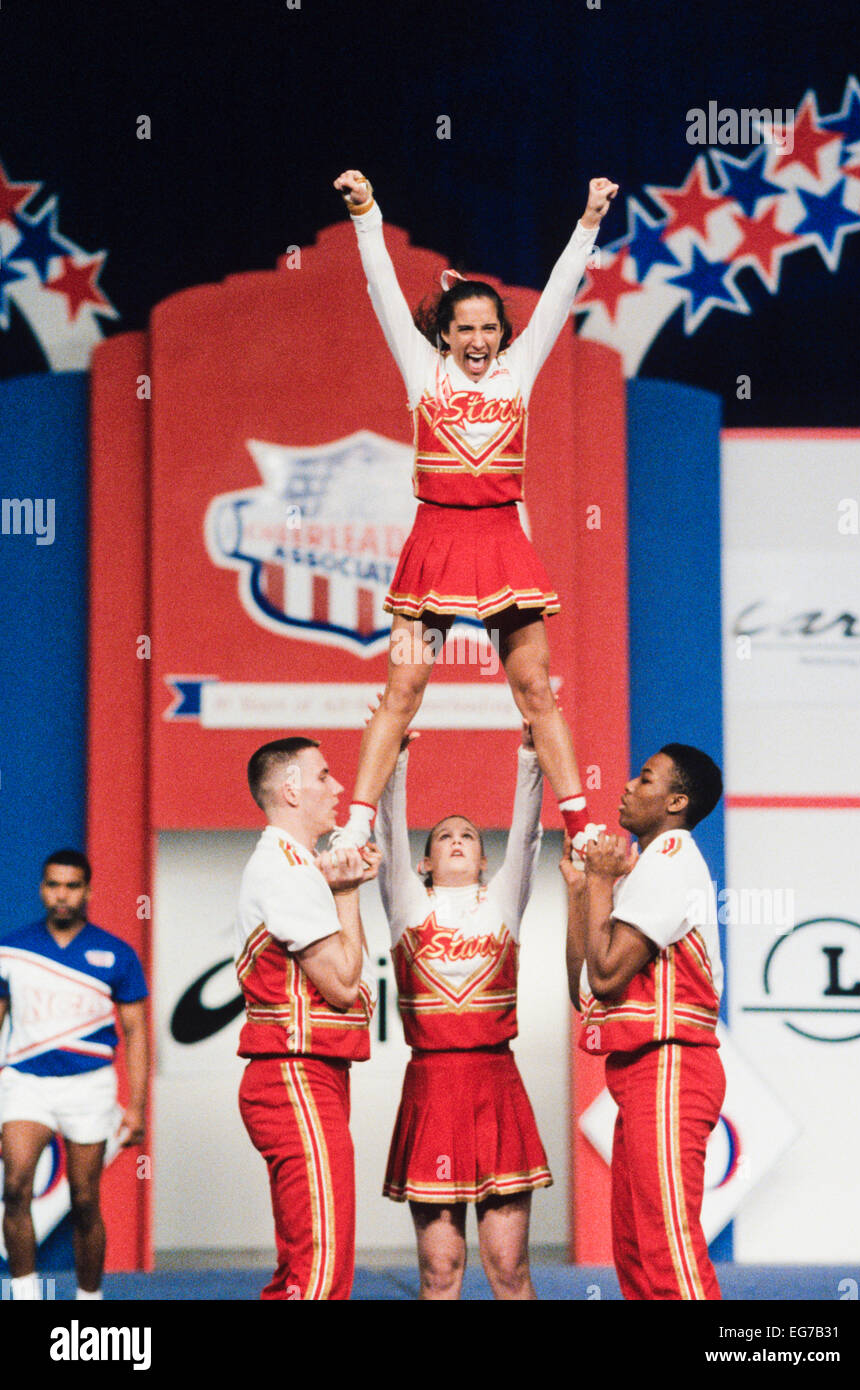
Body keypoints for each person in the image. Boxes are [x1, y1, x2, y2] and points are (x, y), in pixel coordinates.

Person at [330, 168, 618, 862]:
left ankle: (581, 828)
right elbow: (384, 293)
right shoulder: (422, 371)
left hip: (501, 544)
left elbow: (557, 296)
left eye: (490, 328)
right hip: (434, 544)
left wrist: (589, 221)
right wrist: (367, 211)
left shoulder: (519, 373)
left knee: (534, 692)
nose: (480, 339)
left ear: (502, 333)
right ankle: (356, 825)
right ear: (445, 332)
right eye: (467, 328)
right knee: (401, 690)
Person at [376, 722, 550, 1299]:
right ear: (422, 864)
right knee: (440, 1271)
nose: (455, 840)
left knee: (508, 1268)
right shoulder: (406, 903)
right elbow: (388, 835)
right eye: (444, 836)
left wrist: (531, 756)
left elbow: (525, 837)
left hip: (495, 1083)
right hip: (432, 1084)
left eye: (469, 837)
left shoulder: (502, 902)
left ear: (483, 861)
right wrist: (392, 762)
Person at [562, 745, 725, 1301]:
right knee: (634, 1249)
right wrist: (583, 892)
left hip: (672, 1067)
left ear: (676, 801)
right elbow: (584, 990)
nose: (628, 785)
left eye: (646, 778)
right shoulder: (646, 870)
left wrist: (603, 884)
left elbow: (606, 976)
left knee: (666, 1248)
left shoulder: (672, 856)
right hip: (639, 1074)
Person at [235, 736, 380, 1300]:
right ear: (291, 789)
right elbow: (344, 984)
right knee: (319, 1267)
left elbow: (346, 968)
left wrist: (342, 887)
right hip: (293, 1076)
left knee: (304, 1262)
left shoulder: (297, 866)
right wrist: (345, 891)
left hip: (309, 1075)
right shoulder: (286, 871)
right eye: (324, 776)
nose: (338, 786)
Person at [0, 849, 149, 1301]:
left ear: (87, 890)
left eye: (71, 886)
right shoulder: (12, 950)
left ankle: (89, 1299)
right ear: (42, 889)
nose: (61, 895)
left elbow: (136, 1031)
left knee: (84, 1200)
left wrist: (137, 1105)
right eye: (53, 885)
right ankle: (24, 1295)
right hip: (26, 1084)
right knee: (15, 1186)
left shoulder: (118, 954)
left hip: (90, 1086)